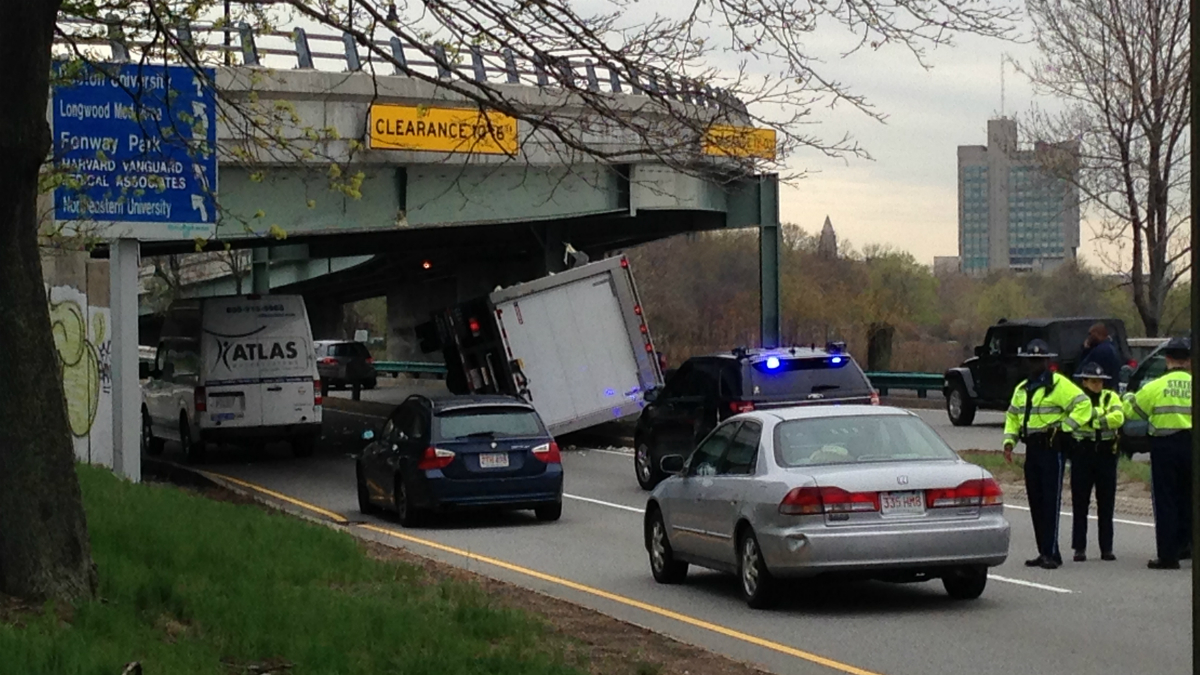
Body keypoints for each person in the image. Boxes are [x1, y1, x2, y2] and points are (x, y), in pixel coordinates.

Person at [1004, 339, 1093, 569]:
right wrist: (1009, 441)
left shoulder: (1057, 384)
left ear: (1046, 361)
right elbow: (1013, 416)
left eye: (1039, 360)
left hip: (1051, 447)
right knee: (1036, 501)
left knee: (1050, 501)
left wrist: (1066, 428)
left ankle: (1052, 553)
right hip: (1032, 448)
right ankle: (1043, 550)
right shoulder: (1023, 388)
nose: (1035, 364)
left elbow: (1083, 404)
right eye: (1031, 360)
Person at [1124, 336, 1192, 569]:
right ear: (1189, 361)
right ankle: (1188, 546)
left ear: (1168, 359)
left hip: (1165, 446)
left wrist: (1128, 397)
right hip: (1192, 446)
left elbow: (1132, 412)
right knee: (1189, 499)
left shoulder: (1155, 387)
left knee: (1166, 501)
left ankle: (1168, 556)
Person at [1069, 362, 1124, 562]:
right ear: (1084, 381)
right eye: (1093, 381)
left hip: (1106, 454)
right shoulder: (1076, 400)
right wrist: (1102, 416)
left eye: (1100, 381)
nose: (1097, 385)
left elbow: (1118, 417)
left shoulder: (1111, 397)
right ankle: (1079, 548)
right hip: (1082, 453)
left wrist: (1093, 419)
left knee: (1106, 503)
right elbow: (1074, 419)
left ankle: (1107, 548)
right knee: (1080, 503)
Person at [1078, 322, 1121, 388]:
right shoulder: (1112, 347)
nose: (1089, 337)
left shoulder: (1100, 351)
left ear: (1097, 334)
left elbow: (1084, 368)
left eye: (1090, 334)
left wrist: (1085, 350)